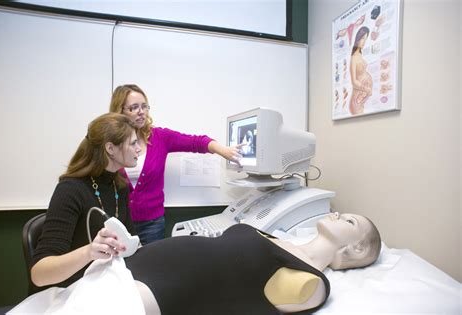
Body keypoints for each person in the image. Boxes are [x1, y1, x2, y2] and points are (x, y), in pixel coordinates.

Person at [126, 212, 382, 315]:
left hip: (155, 293)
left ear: (357, 248)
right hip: (135, 263)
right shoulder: (283, 243)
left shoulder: (310, 283)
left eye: (349, 221)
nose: (337, 214)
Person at [109, 84, 244, 245]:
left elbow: (196, 142)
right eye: (134, 107)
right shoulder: (109, 142)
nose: (141, 111)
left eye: (144, 106)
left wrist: (223, 150)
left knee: (152, 267)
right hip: (119, 224)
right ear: (120, 111)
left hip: (152, 225)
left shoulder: (159, 137)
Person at [30, 112, 141, 289]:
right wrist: (89, 252)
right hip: (69, 293)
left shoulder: (119, 186)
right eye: (134, 143)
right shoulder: (70, 190)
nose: (139, 148)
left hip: (105, 285)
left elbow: (129, 241)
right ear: (110, 149)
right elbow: (39, 274)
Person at [349, 26, 373, 115]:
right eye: (362, 38)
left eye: (365, 39)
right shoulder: (353, 58)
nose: (364, 42)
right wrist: (367, 89)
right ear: (358, 38)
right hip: (356, 101)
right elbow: (354, 81)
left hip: (362, 98)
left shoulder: (359, 55)